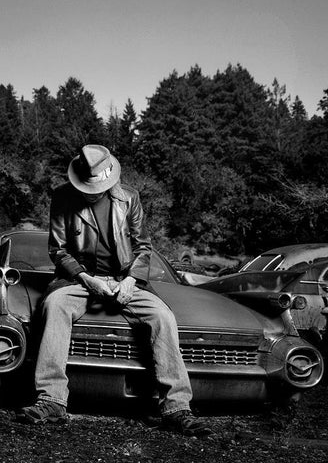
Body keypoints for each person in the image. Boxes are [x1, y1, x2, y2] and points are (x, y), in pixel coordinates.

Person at [17, 144, 210, 436]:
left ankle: (176, 407)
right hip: (78, 280)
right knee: (54, 306)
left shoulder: (129, 197)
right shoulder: (62, 197)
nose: (91, 191)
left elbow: (143, 247)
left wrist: (131, 280)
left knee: (164, 317)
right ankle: (52, 400)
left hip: (125, 279)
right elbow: (58, 251)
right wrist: (86, 278)